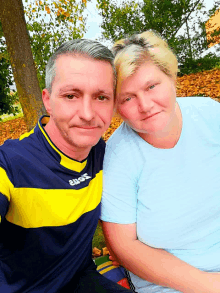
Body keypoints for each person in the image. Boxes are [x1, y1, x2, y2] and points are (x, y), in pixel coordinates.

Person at [0, 39, 133, 293]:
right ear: (48, 100)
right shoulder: (11, 165)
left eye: (101, 97)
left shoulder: (106, 153)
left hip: (80, 279)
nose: (87, 113)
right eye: (71, 95)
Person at [100, 30, 220, 293]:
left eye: (151, 86)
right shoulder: (117, 156)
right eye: (128, 98)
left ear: (172, 77)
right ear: (117, 107)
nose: (145, 105)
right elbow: (125, 247)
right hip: (169, 284)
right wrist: (211, 285)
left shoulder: (211, 116)